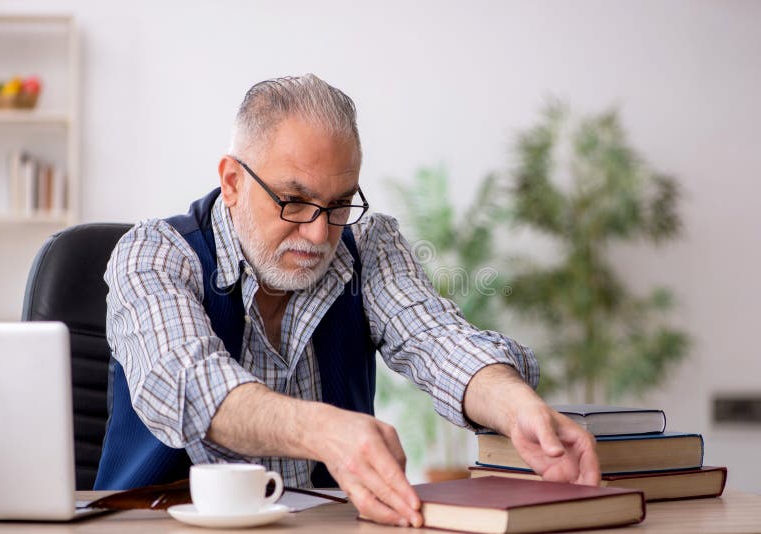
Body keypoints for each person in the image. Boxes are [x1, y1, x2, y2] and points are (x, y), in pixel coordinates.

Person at [94, 74, 600, 527]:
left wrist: (515, 406)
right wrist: (322, 431)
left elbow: (434, 337)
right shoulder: (153, 254)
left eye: (338, 204)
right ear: (232, 182)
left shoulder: (369, 244)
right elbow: (187, 383)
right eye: (293, 201)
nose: (318, 235)